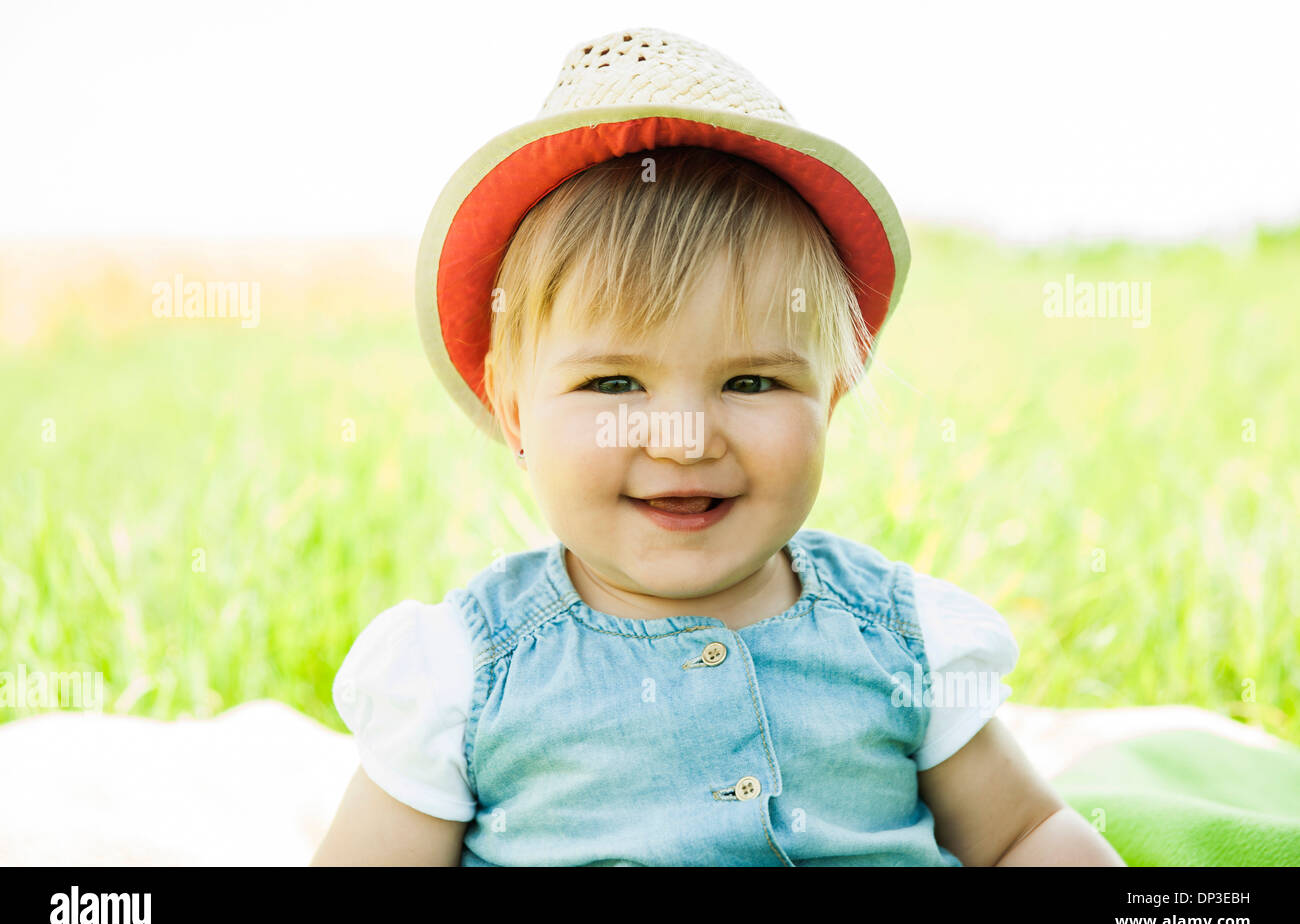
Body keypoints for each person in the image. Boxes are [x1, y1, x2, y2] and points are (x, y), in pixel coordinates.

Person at [311, 26, 1124, 866]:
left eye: (752, 383)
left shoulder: (894, 640)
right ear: (514, 413)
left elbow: (1022, 835)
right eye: (615, 385)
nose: (685, 439)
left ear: (828, 402)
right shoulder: (464, 677)